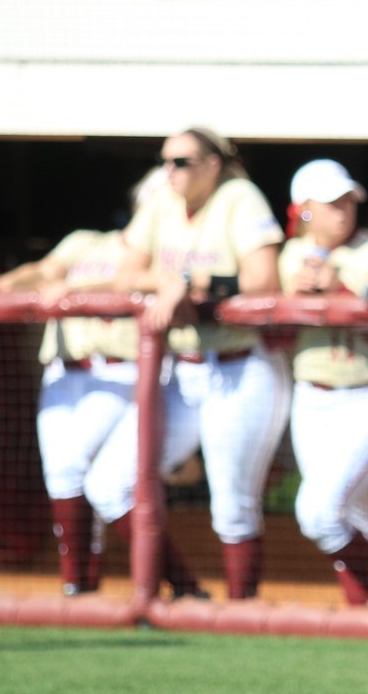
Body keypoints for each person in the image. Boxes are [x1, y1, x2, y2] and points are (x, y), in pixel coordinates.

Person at [0, 168, 204, 599]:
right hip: (62, 367)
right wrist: (2, 283)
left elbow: (121, 285)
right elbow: (45, 269)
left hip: (119, 368)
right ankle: (79, 588)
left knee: (93, 475)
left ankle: (177, 585)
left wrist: (74, 290)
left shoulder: (162, 257)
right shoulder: (86, 241)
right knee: (61, 475)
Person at [99, 127, 291, 600]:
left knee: (232, 502)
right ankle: (186, 591)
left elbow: (262, 282)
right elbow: (123, 275)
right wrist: (169, 279)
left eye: (181, 162)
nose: (170, 171)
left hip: (241, 363)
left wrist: (191, 278)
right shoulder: (162, 201)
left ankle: (242, 612)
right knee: (108, 483)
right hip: (183, 367)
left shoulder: (240, 197)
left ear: (211, 164)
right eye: (165, 161)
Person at [281, 159, 368, 609]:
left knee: (319, 511)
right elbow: (272, 335)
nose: (343, 210)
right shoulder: (289, 257)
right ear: (306, 209)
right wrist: (290, 300)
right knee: (351, 510)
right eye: (331, 203)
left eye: (348, 200)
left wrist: (340, 290)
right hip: (312, 394)